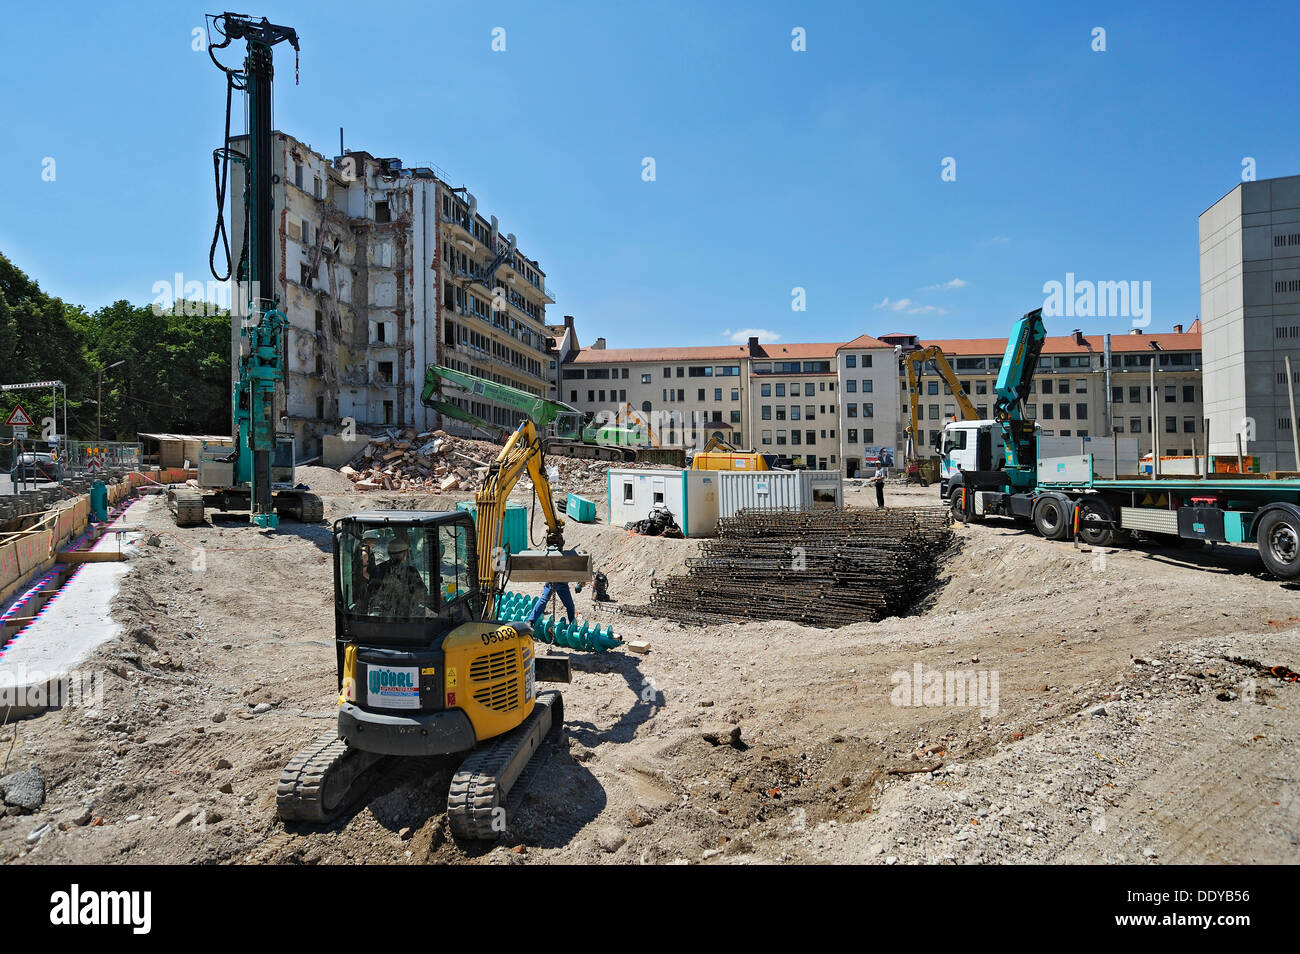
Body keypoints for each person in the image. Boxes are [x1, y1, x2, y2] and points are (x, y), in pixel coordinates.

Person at [368, 537, 429, 618]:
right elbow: (422, 594)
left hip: (381, 617)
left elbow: (370, 593)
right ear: (405, 554)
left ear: (389, 553)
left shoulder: (377, 569)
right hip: (404, 619)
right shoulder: (410, 571)